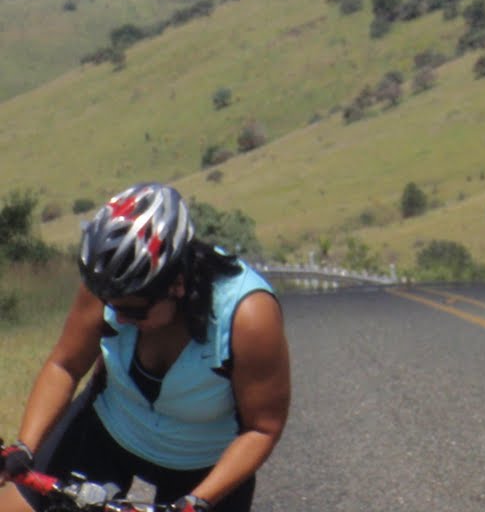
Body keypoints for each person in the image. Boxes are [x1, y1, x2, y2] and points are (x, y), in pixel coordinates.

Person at [1, 183, 290, 512]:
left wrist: (197, 502)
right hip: (110, 430)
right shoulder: (109, 282)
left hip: (203, 461)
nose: (119, 318)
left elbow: (262, 428)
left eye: (134, 310)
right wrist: (24, 447)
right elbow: (65, 366)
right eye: (111, 305)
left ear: (177, 285)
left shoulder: (247, 316)